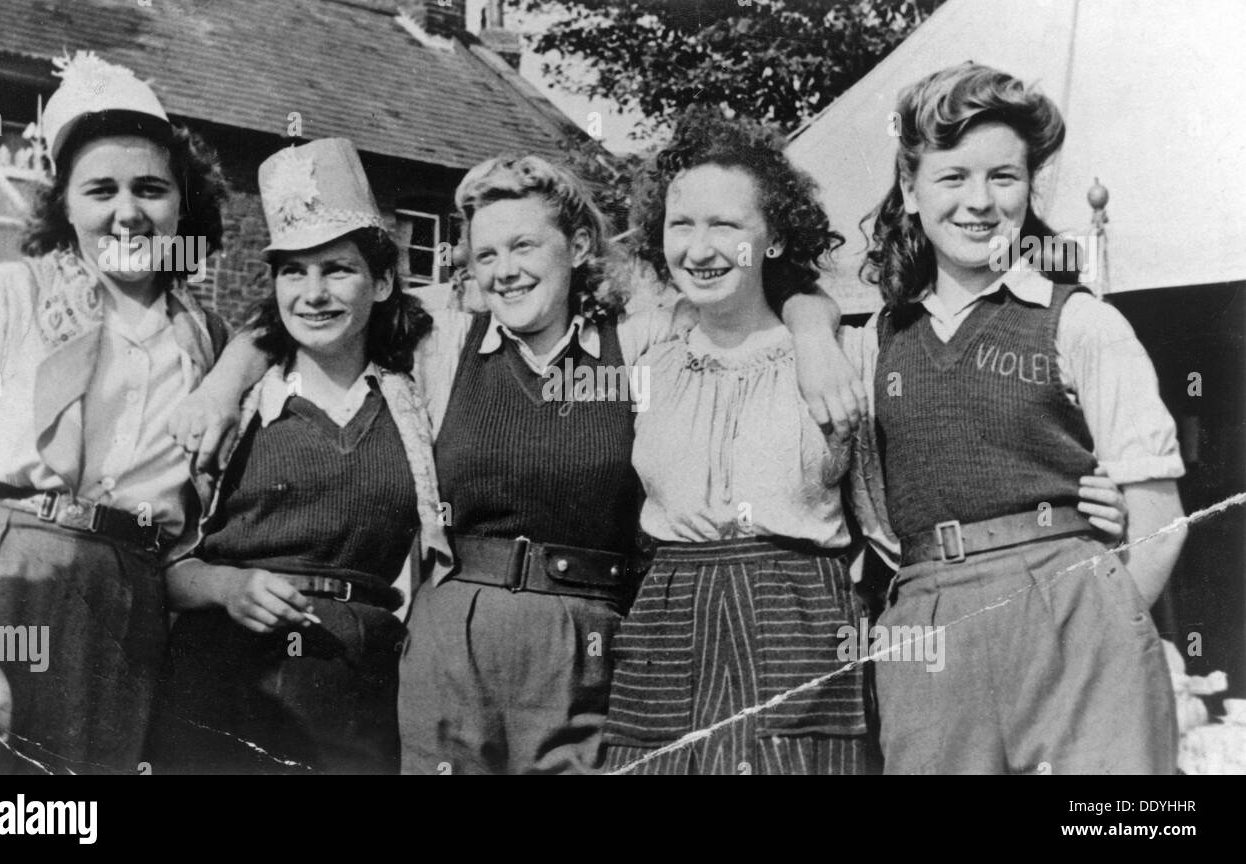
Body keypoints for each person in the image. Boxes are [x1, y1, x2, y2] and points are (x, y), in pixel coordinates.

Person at [175, 151, 856, 774]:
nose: (505, 270)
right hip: (455, 636)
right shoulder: (446, 340)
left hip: (586, 642)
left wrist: (814, 332)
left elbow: (753, 293)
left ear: (580, 246)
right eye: (485, 254)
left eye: (525, 245)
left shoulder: (642, 339)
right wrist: (224, 380)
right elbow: (322, 310)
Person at [850, 62, 1185, 774]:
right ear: (910, 190)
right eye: (952, 177)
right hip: (929, 629)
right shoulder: (874, 344)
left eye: (1004, 177)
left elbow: (1160, 520)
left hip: (1075, 620)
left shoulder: (1082, 323)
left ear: (1031, 188)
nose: (980, 202)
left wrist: (1099, 628)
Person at [0, 52, 228, 773]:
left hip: (127, 607)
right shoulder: (0, 297)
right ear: (65, 205)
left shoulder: (207, 341)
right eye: (100, 189)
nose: (127, 211)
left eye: (152, 189)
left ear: (181, 205)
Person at [150, 138, 450, 774]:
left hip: (357, 684)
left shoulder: (419, 396)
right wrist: (228, 586)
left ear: (385, 279)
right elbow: (160, 565)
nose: (313, 294)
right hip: (225, 674)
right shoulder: (230, 402)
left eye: (337, 270)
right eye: (294, 271)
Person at [600, 108, 875, 774]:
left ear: (774, 238)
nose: (699, 249)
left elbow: (886, 517)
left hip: (799, 616)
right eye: (681, 224)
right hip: (667, 620)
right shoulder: (642, 348)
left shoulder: (841, 352)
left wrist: (812, 325)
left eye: (726, 224)